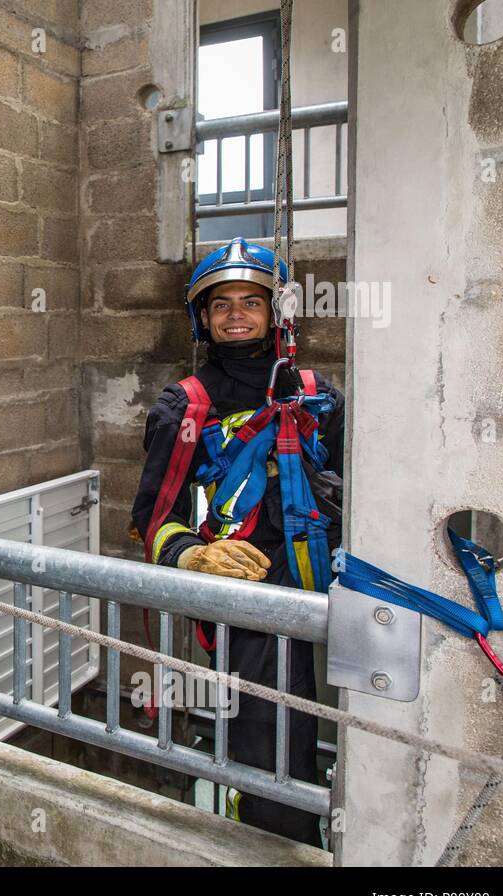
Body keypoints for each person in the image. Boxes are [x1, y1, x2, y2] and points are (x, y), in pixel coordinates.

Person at [130, 237, 344, 846]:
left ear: (276, 312)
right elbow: (154, 517)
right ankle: (277, 848)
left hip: (328, 574)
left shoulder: (317, 395)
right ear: (203, 318)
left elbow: (360, 483)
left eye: (252, 301)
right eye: (222, 305)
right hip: (247, 584)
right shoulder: (186, 407)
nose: (237, 315)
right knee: (266, 732)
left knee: (356, 710)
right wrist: (194, 555)